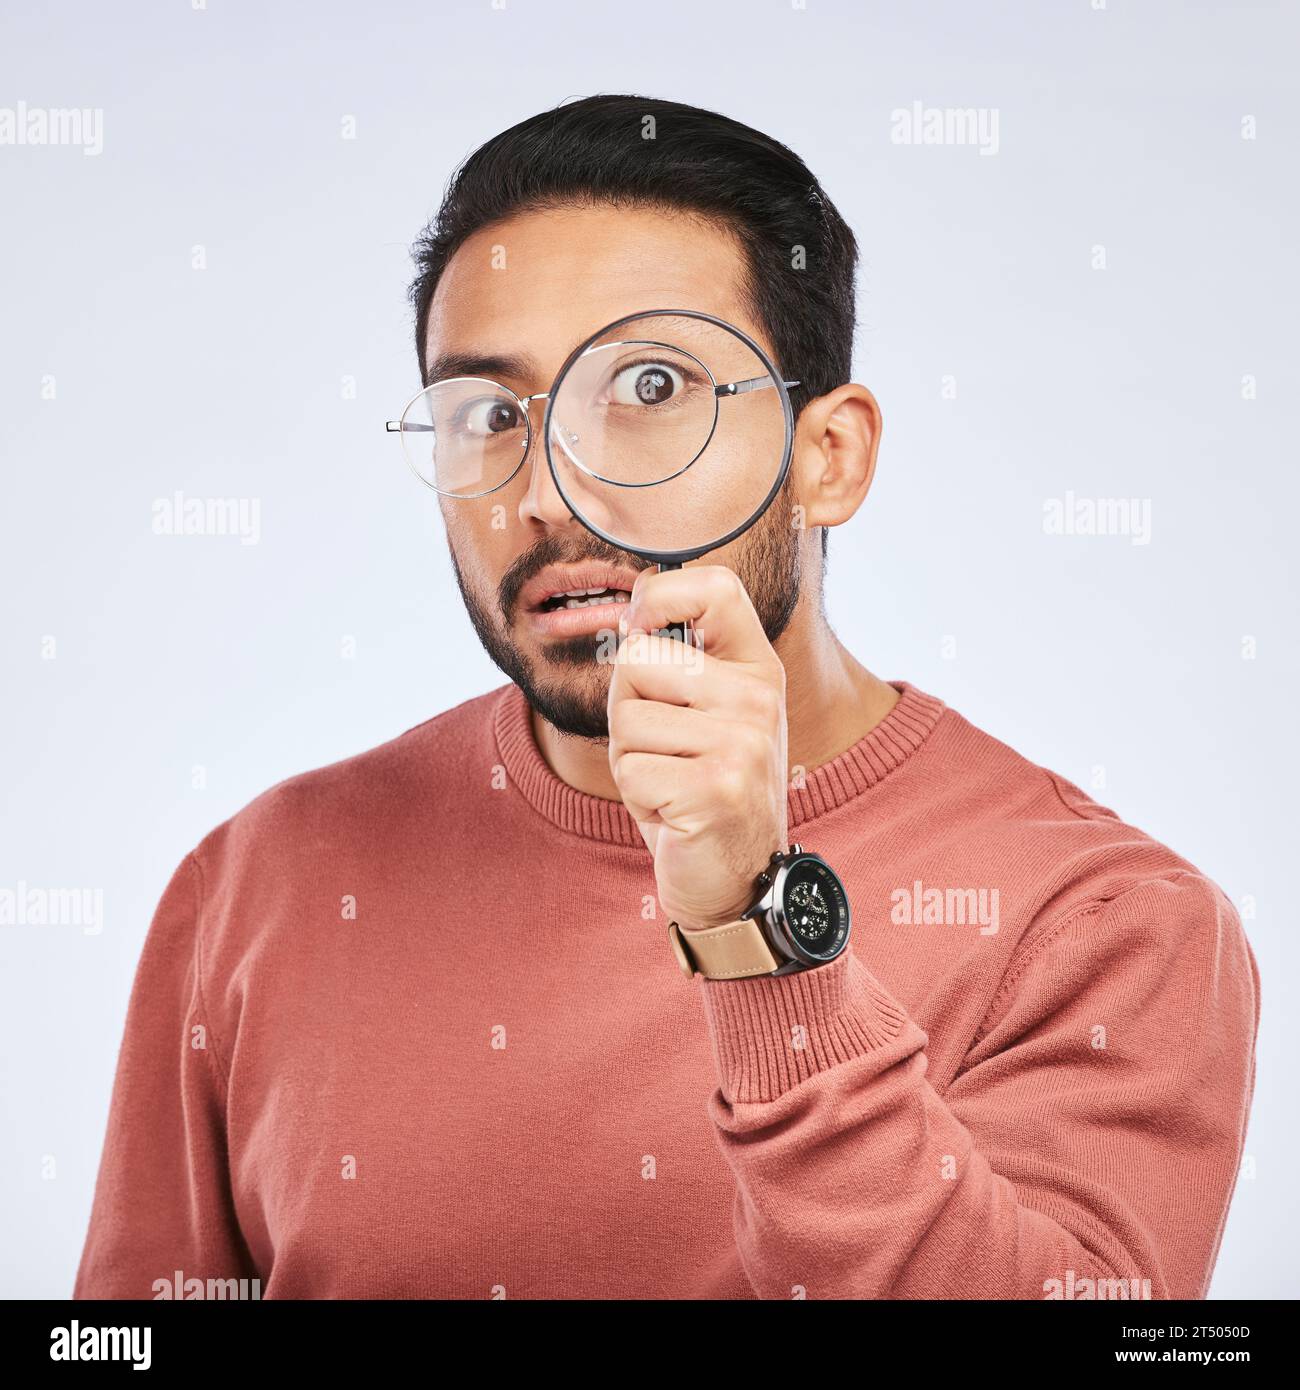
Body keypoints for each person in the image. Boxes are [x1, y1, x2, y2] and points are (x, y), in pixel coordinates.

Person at [75, 95, 1258, 1301]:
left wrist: (760, 929)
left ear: (827, 455)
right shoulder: (261, 880)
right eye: (488, 415)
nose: (545, 492)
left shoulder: (1108, 921)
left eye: (648, 387)